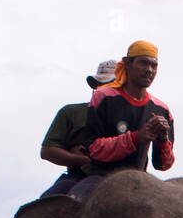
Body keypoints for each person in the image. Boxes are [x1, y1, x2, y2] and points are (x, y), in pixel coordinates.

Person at [69, 40, 174, 202]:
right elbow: (94, 149)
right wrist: (136, 138)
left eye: (154, 65)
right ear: (127, 64)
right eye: (143, 63)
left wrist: (163, 139)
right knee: (73, 204)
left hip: (141, 180)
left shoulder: (162, 109)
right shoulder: (103, 98)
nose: (149, 70)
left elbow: (163, 165)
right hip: (101, 177)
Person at [38, 59, 117, 198]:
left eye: (112, 85)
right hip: (78, 177)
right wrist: (82, 161)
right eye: (100, 84)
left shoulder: (135, 113)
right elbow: (47, 151)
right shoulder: (71, 112)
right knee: (46, 203)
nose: (105, 89)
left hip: (124, 177)